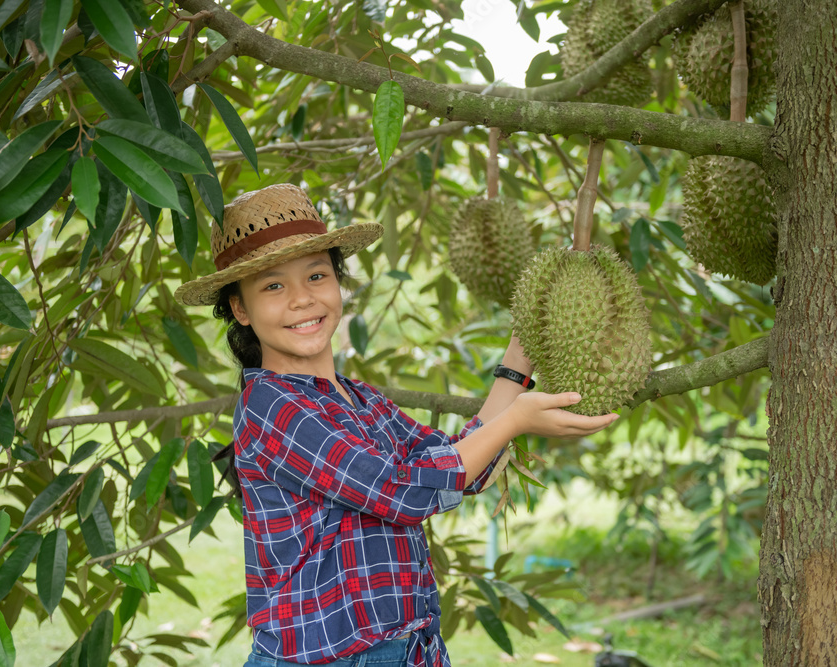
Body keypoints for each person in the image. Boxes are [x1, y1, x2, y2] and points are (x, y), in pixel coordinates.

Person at [173, 183, 619, 667]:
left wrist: (518, 359)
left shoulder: (362, 400)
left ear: (338, 284)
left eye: (317, 275)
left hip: (412, 650)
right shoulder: (269, 405)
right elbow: (399, 492)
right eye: (273, 286)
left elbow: (463, 467)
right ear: (240, 309)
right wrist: (516, 419)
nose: (302, 299)